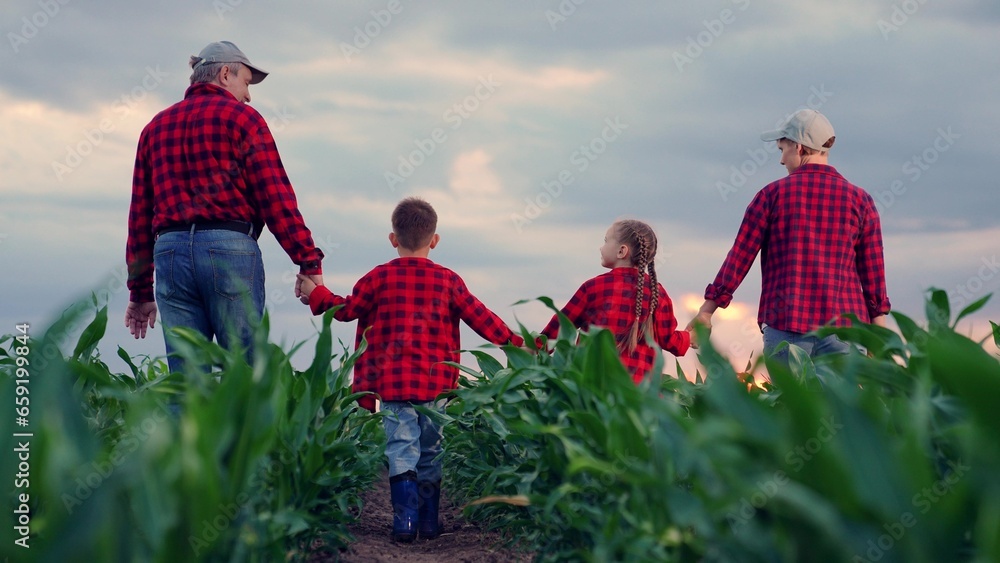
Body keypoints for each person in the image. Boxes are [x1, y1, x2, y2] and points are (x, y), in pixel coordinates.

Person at [297, 197, 523, 543]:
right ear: (434, 240)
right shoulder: (449, 281)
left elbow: (346, 310)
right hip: (436, 386)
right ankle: (429, 523)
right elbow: (482, 318)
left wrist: (316, 293)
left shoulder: (378, 277)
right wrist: (517, 343)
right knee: (432, 450)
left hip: (392, 383)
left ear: (393, 239)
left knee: (402, 449)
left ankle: (404, 523)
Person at [124, 40, 325, 373]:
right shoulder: (244, 120)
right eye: (246, 83)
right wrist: (307, 260)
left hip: (169, 253)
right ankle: (242, 427)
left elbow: (140, 216)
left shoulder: (154, 128)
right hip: (229, 249)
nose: (248, 95)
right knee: (243, 374)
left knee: (186, 383)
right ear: (225, 73)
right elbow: (275, 197)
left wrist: (140, 290)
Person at [688, 109, 890, 365]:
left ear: (799, 148)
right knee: (842, 406)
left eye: (782, 149)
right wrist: (878, 335)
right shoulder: (861, 201)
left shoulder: (771, 196)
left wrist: (707, 312)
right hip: (846, 332)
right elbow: (874, 274)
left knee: (789, 405)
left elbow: (739, 258)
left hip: (787, 328)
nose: (781, 160)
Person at [540, 219, 692, 384]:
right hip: (639, 396)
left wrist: (532, 347)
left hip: (593, 391)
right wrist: (690, 337)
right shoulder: (658, 293)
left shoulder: (593, 287)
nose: (601, 247)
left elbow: (561, 326)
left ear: (622, 251)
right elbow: (669, 340)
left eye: (605, 241)